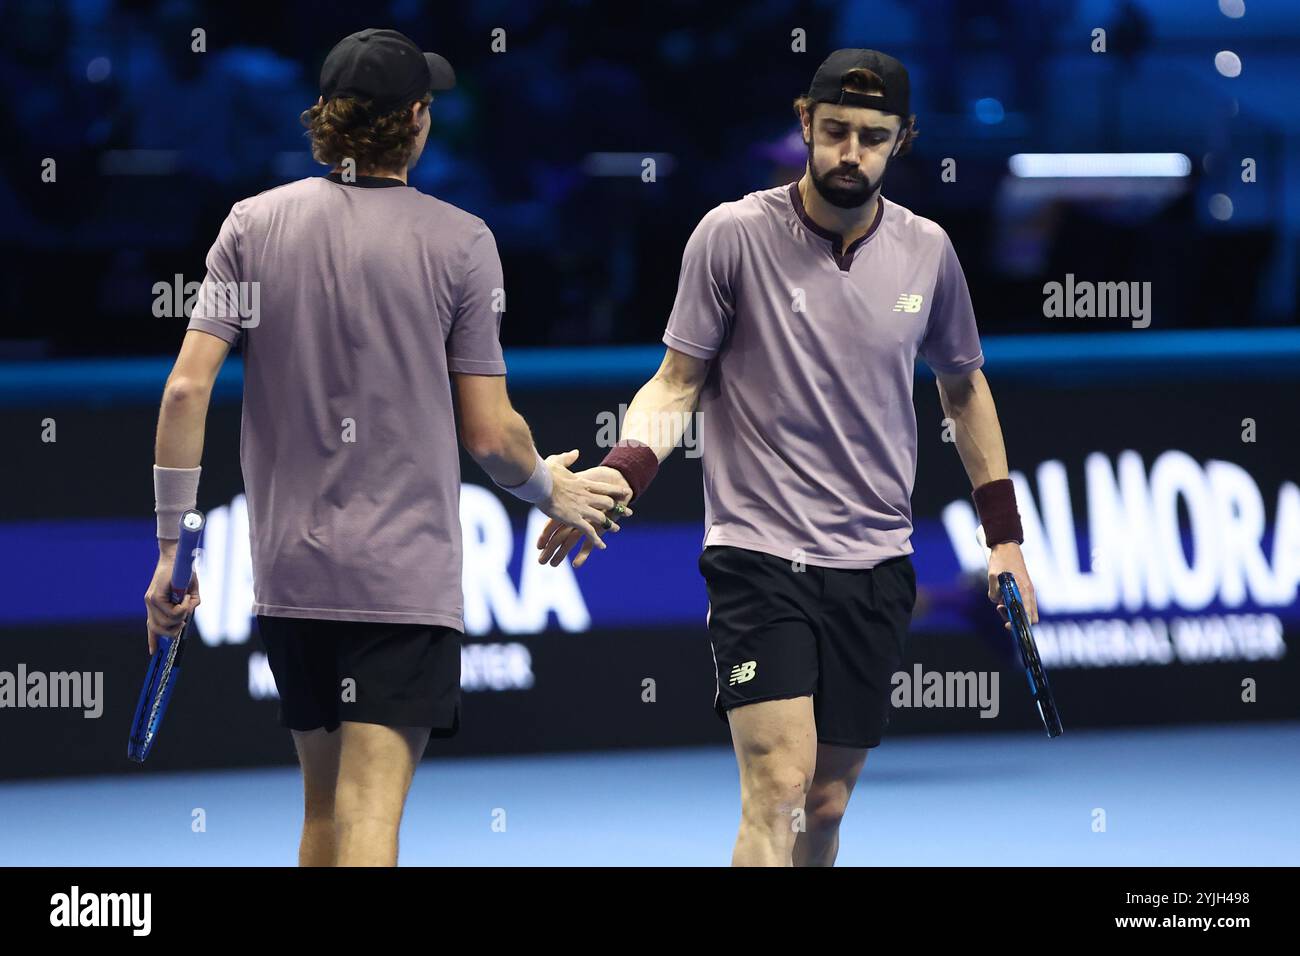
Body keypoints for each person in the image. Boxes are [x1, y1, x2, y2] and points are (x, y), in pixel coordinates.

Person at [536, 49, 1039, 867]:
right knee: (777, 790)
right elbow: (677, 383)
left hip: (877, 562)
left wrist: (1004, 540)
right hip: (758, 554)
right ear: (805, 122)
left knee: (825, 805)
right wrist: (619, 472)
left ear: (901, 141)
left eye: (872, 138)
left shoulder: (929, 252)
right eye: (835, 130)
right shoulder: (730, 235)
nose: (851, 153)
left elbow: (964, 391)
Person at [143, 28, 625, 866]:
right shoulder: (464, 241)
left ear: (325, 120)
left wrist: (168, 556)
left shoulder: (251, 226)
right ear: (416, 120)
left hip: (292, 575)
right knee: (370, 820)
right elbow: (490, 432)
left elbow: (186, 389)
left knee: (324, 819)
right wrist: (551, 488)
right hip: (402, 581)